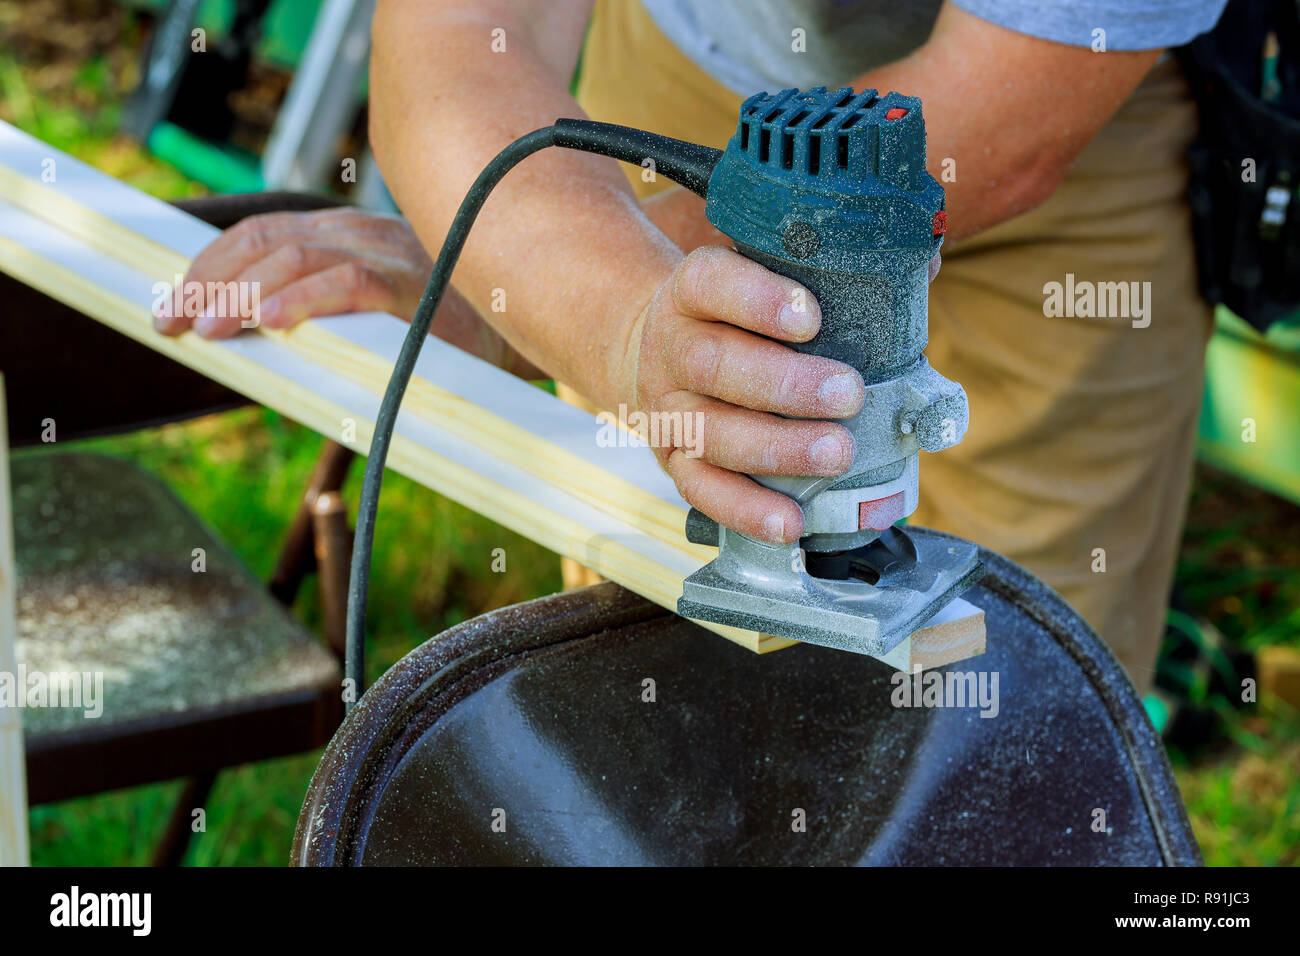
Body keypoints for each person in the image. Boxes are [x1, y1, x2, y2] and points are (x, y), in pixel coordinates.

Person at [157, 0, 1230, 689]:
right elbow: (459, 33)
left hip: (1060, 111)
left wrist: (564, 287)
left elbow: (1014, 117)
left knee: (1007, 710)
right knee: (658, 704)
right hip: (697, 49)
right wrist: (573, 292)